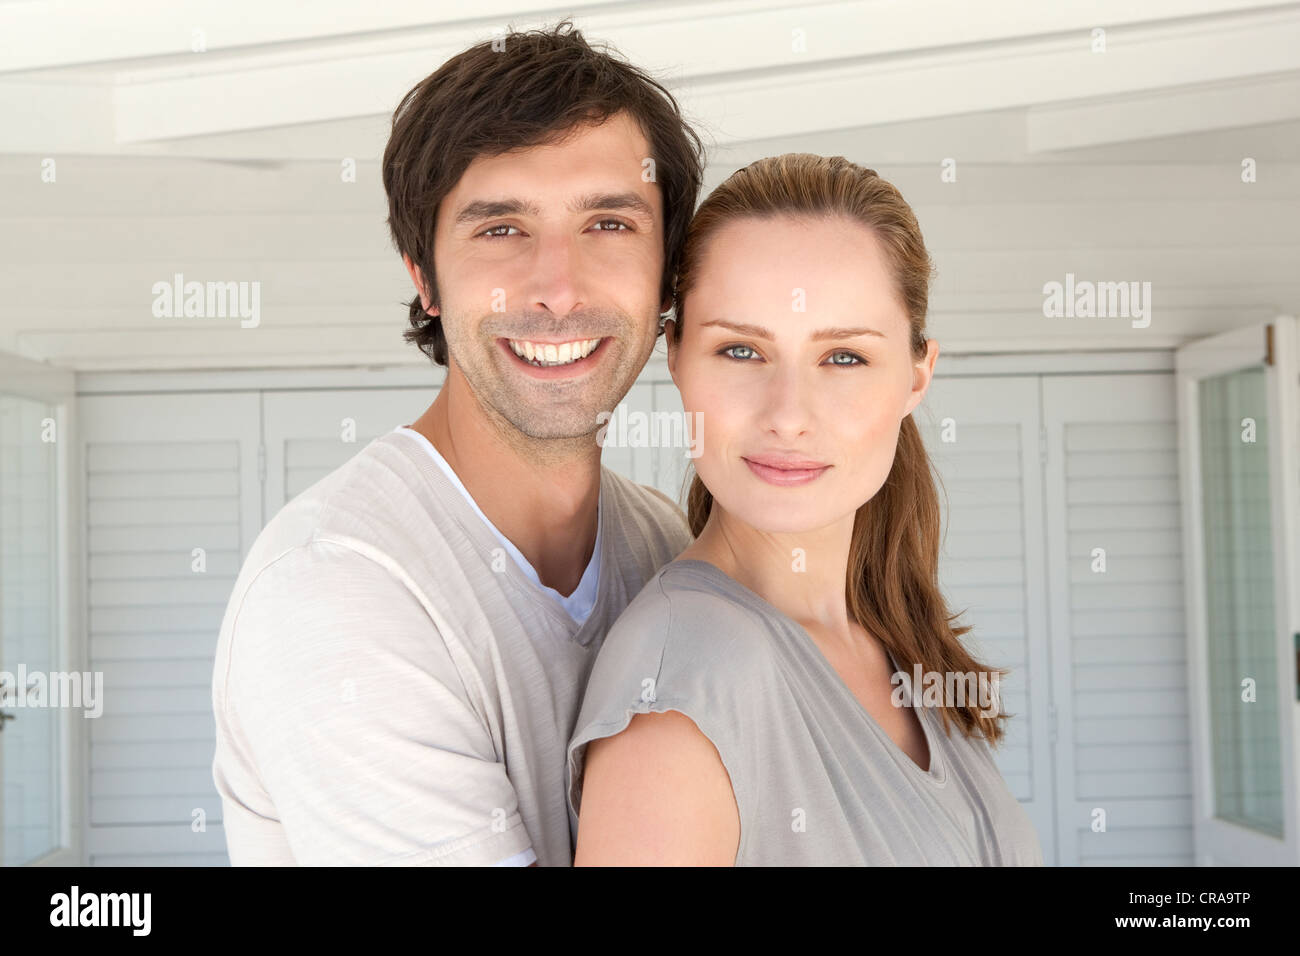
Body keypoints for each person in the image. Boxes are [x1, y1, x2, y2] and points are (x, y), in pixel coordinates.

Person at [211, 20, 705, 866]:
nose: (559, 290)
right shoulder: (336, 591)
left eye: (608, 224)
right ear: (425, 277)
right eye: (500, 228)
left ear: (667, 276)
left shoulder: (664, 545)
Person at [567, 153, 1045, 865]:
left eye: (844, 357)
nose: (788, 416)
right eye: (740, 350)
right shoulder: (681, 693)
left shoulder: (894, 637)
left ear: (917, 376)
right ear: (675, 357)